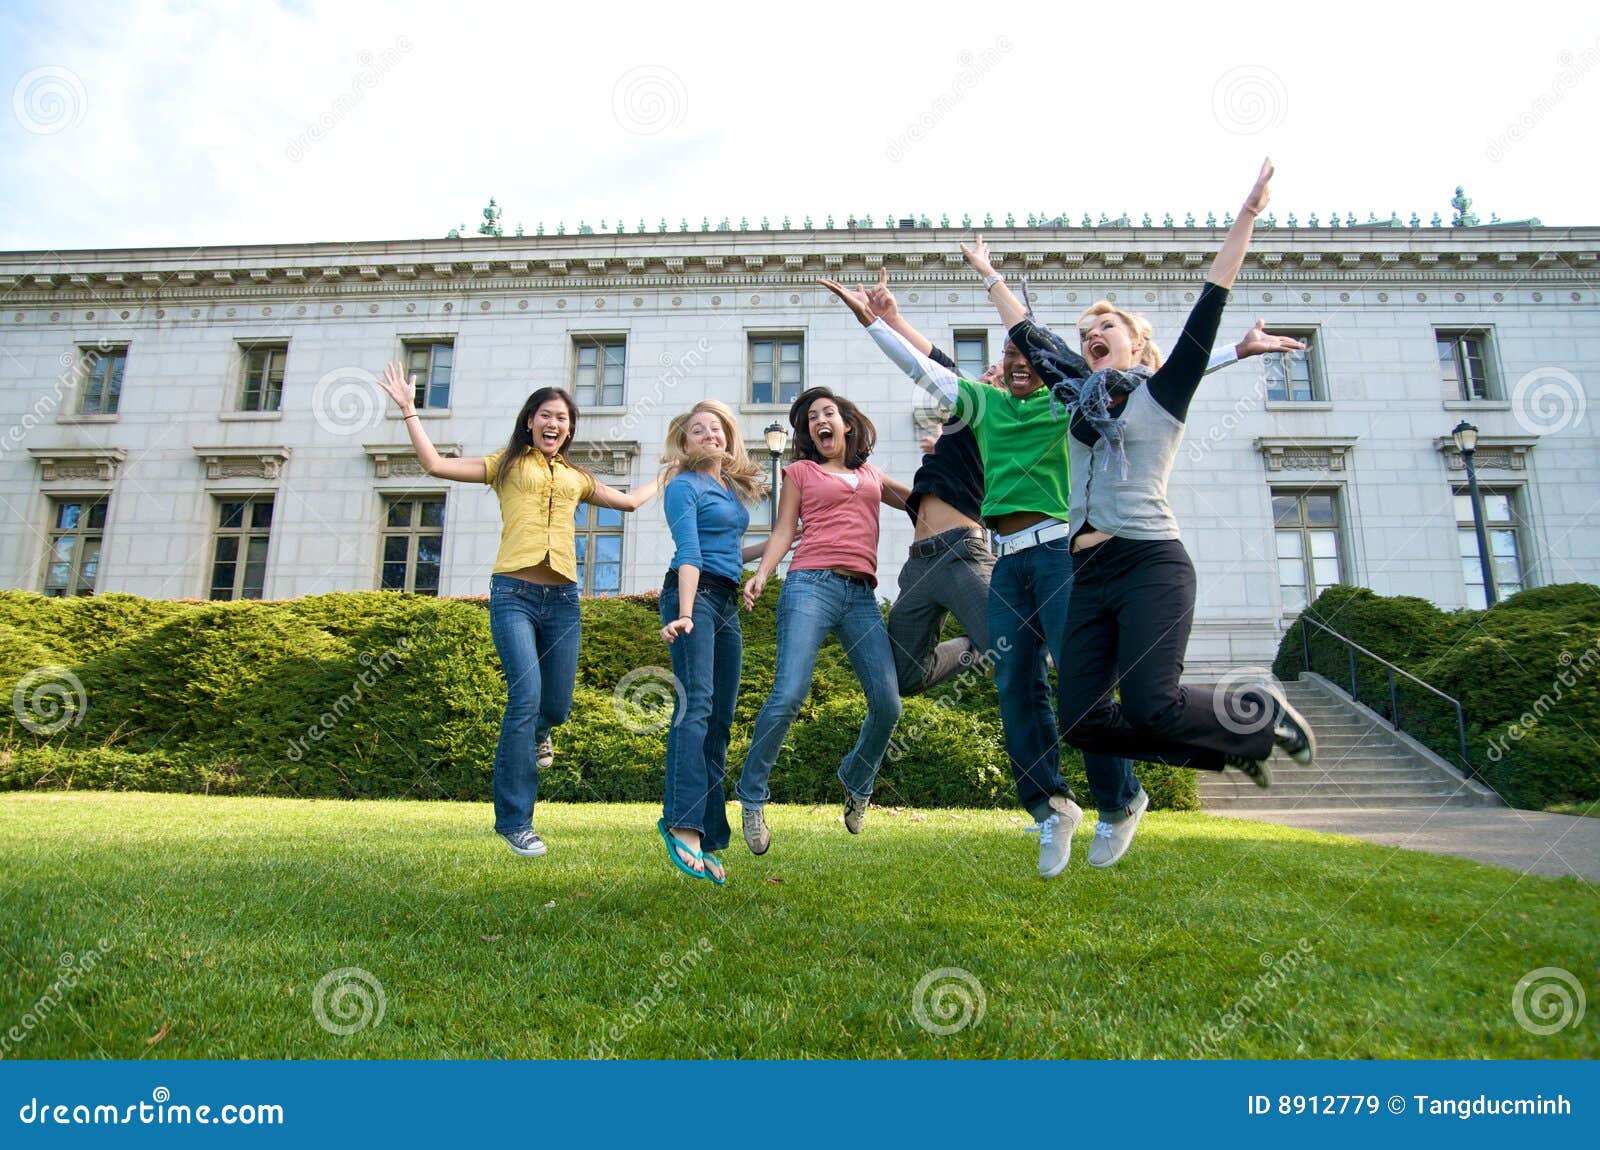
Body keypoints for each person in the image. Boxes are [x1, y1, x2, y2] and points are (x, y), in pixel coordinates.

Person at [828, 259, 1303, 873]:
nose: (1019, 363)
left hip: (1061, 557)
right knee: (1014, 684)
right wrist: (872, 322)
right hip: (1006, 566)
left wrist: (1232, 352)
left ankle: (1121, 798)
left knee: (1083, 687)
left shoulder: (1068, 404)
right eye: (1009, 356)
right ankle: (1051, 808)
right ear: (1000, 370)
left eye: (1028, 356)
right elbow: (921, 368)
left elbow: (1149, 387)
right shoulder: (982, 406)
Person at [961, 159, 1317, 839]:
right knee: (1082, 718)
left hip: (1151, 561)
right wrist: (990, 275)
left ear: (1137, 345)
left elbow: (1212, 297)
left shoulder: (1163, 391)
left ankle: (1257, 715)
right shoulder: (1073, 394)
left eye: (1107, 327)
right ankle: (1228, 745)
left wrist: (1247, 214)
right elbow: (1028, 334)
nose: (1091, 333)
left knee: (1152, 703)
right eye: (1086, 330)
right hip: (1087, 573)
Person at [377, 363, 666, 860]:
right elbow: (435, 466)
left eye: (563, 418)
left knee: (555, 708)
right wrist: (409, 410)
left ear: (570, 429)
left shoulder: (576, 477)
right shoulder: (505, 465)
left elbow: (631, 502)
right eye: (546, 416)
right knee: (525, 698)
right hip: (513, 594)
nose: (555, 424)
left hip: (563, 602)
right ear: (530, 421)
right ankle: (516, 821)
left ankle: (540, 734)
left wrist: (668, 473)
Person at [737, 386, 910, 853]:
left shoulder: (872, 475)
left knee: (888, 704)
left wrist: (954, 480)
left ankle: (857, 777)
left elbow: (921, 501)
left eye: (827, 413)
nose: (819, 421)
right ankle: (751, 797)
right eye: (811, 418)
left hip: (861, 596)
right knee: (789, 692)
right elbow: (784, 530)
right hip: (810, 584)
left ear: (846, 424)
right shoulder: (801, 472)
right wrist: (763, 573)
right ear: (809, 433)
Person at [654, 400, 770, 884]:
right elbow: (690, 552)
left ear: (728, 438)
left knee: (721, 718)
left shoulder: (726, 488)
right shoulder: (682, 486)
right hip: (694, 598)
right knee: (696, 707)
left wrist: (780, 542)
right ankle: (682, 824)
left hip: (725, 601)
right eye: (698, 430)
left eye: (717, 429)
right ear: (685, 443)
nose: (709, 436)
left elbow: (727, 551)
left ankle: (710, 832)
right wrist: (683, 614)